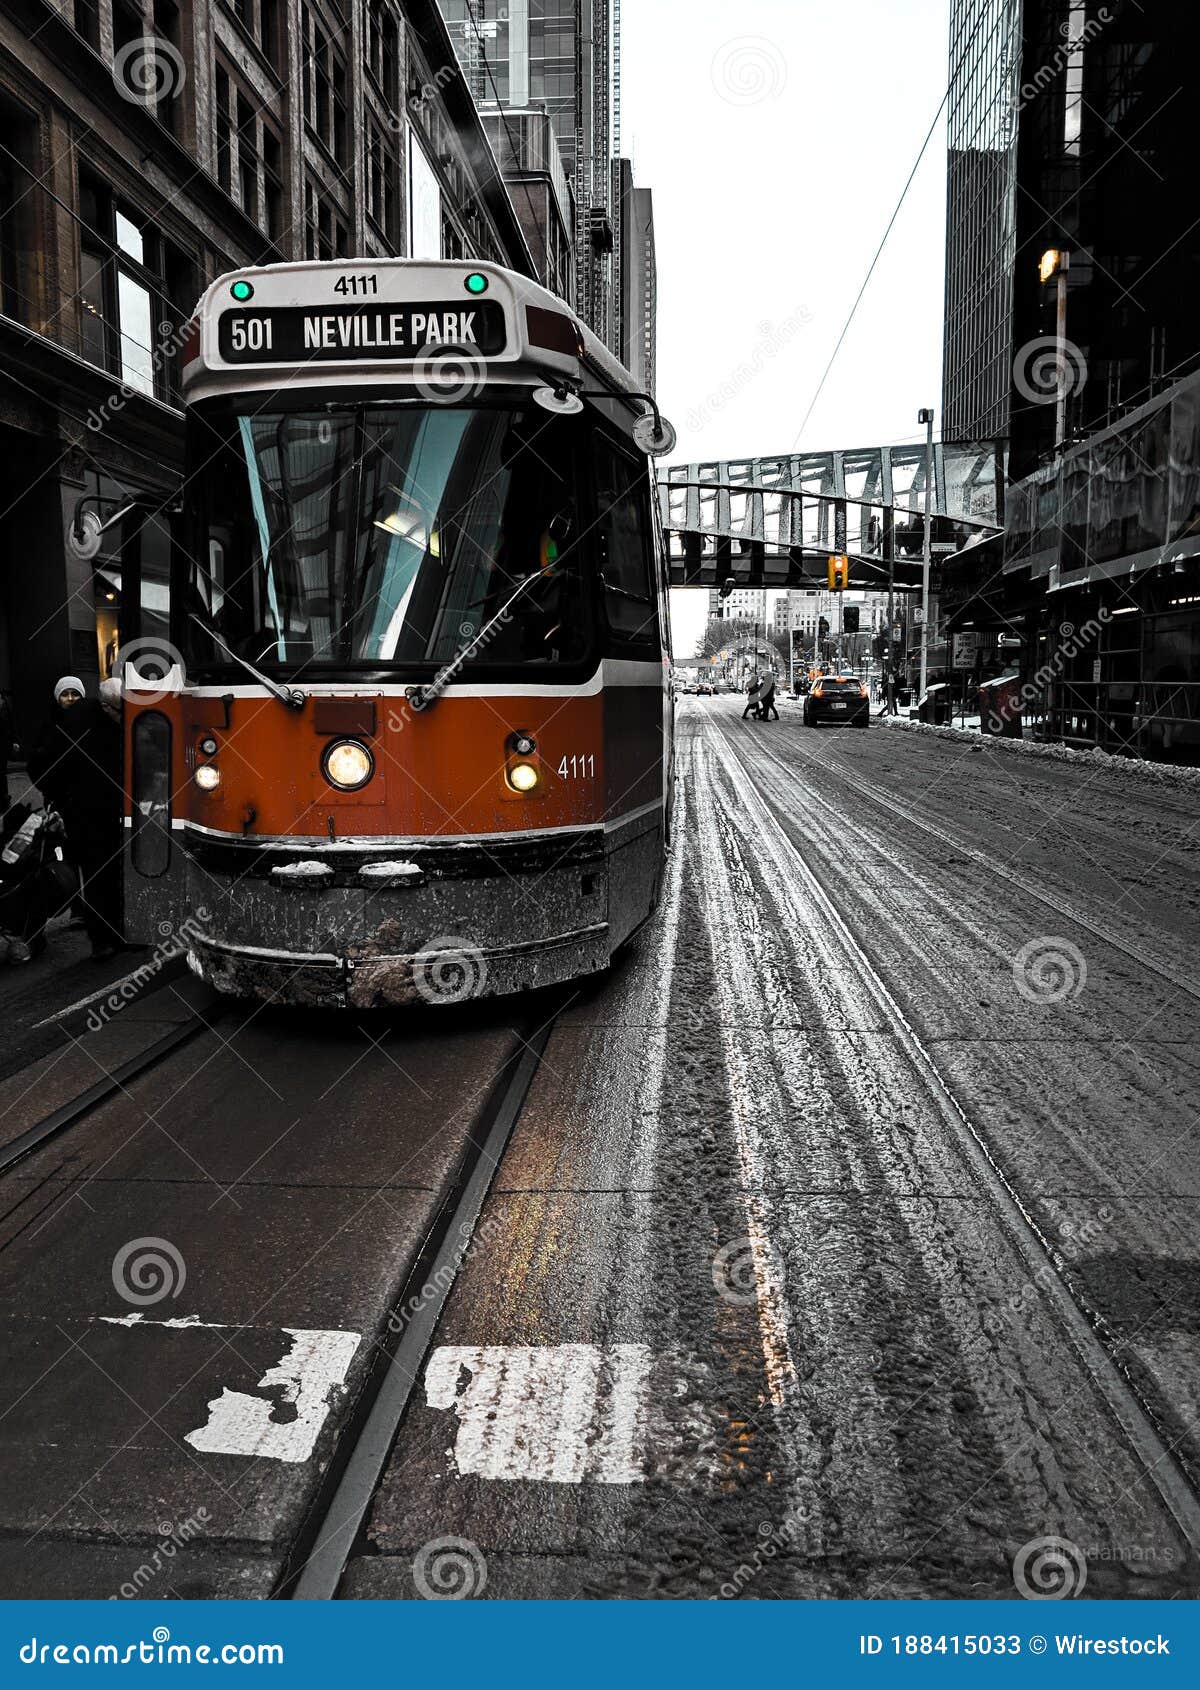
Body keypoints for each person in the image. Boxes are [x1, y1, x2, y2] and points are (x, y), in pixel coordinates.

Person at [27, 675, 124, 959]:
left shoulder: (103, 722)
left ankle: (116, 934)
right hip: (86, 813)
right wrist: (62, 798)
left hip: (110, 811)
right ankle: (103, 938)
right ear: (107, 707)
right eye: (119, 712)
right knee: (97, 875)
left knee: (113, 874)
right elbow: (41, 765)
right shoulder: (78, 725)